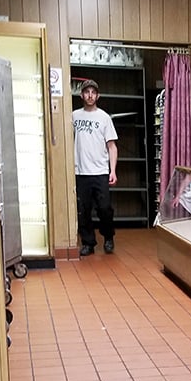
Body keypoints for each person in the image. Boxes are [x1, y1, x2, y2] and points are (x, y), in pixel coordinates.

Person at [72, 79, 118, 255]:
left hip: (100, 172)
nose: (90, 95)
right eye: (87, 92)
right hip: (80, 171)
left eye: (93, 92)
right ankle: (88, 243)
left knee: (104, 208)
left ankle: (108, 238)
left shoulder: (104, 117)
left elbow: (112, 146)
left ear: (98, 96)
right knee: (83, 210)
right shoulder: (74, 116)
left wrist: (113, 171)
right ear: (81, 95)